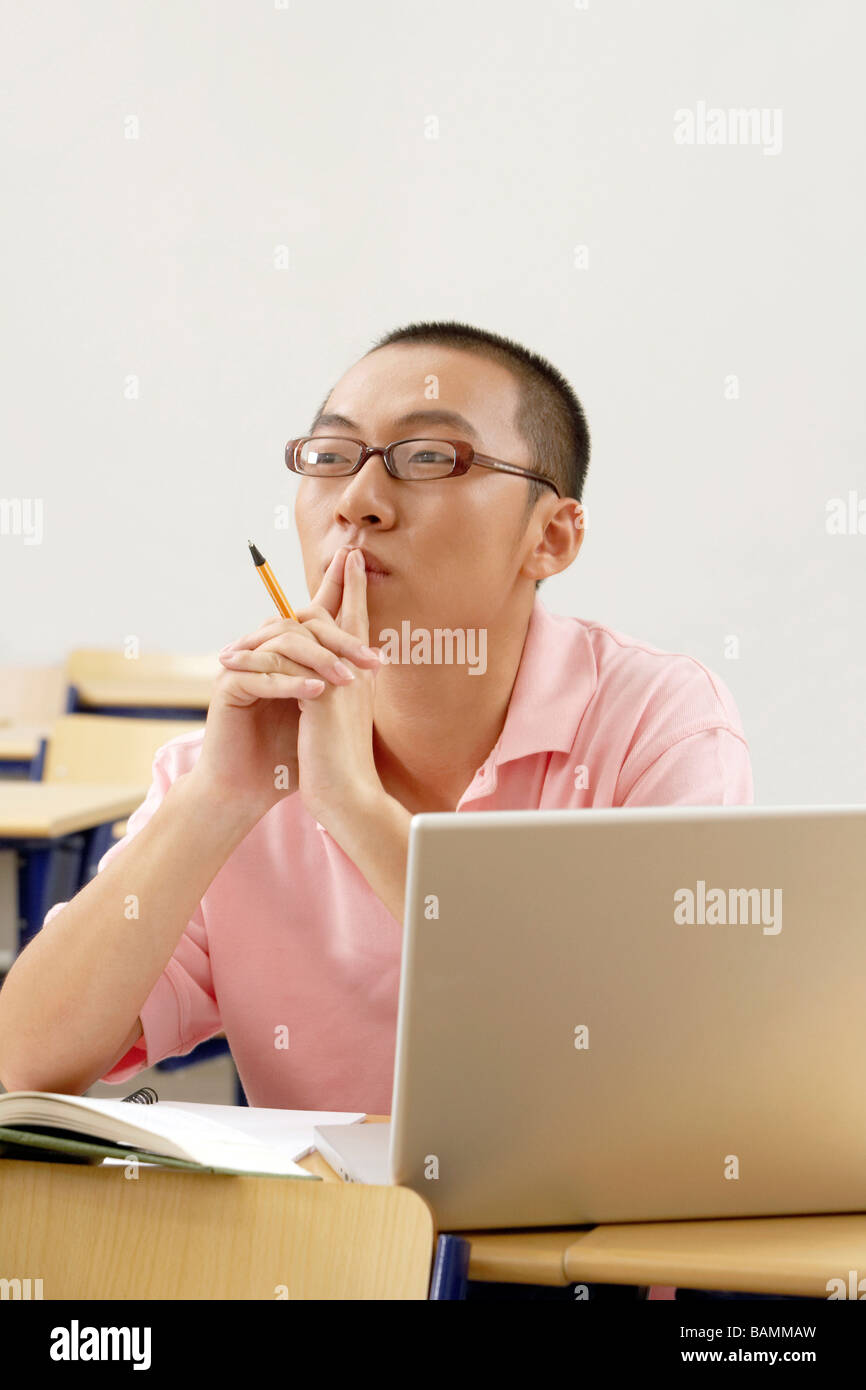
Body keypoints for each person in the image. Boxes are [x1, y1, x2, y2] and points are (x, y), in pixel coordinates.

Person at [0, 320, 754, 1300]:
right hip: (329, 1277)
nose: (358, 501)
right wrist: (218, 798)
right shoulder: (222, 765)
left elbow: (631, 1058)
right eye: (329, 457)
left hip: (593, 1277)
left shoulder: (654, 719)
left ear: (551, 537)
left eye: (428, 457)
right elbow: (23, 1059)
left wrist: (351, 806)